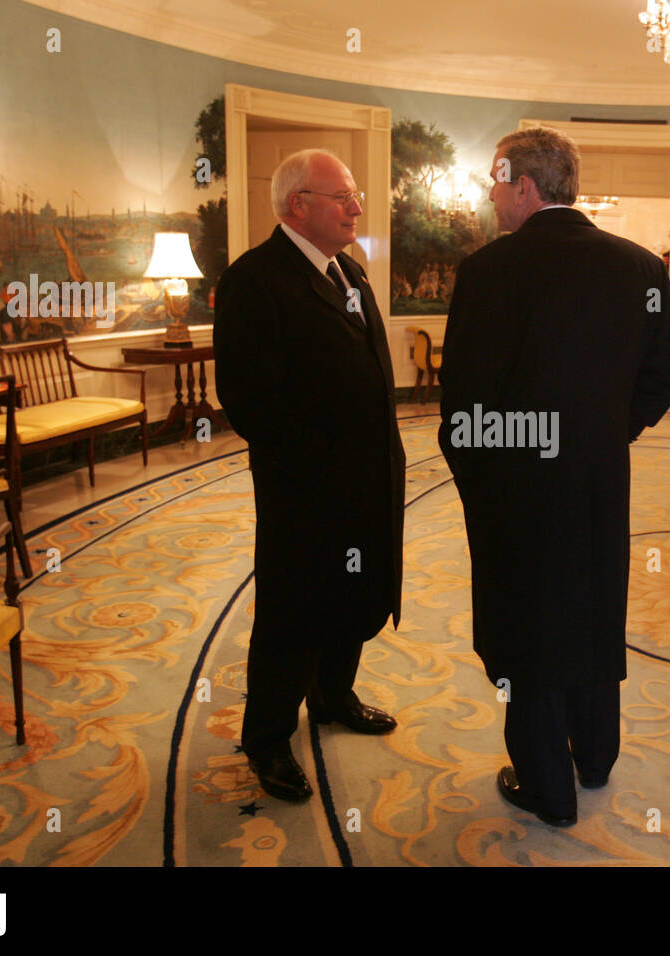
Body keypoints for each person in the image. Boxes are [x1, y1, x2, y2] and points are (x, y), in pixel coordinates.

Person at [437, 127, 670, 826]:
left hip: (515, 490)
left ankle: (549, 789)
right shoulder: (641, 268)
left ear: (524, 186)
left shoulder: (486, 273)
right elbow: (663, 379)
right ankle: (595, 758)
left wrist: (481, 476)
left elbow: (463, 403)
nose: (489, 197)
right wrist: (607, 434)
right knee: (593, 608)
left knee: (525, 627)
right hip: (601, 483)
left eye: (495, 182)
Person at [214, 149, 405, 802]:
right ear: (299, 205)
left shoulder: (349, 272)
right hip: (305, 491)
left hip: (368, 479)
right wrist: (319, 465)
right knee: (292, 613)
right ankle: (267, 737)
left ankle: (333, 695)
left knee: (354, 593)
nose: (356, 208)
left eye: (354, 197)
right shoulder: (255, 280)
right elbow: (249, 401)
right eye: (342, 197)